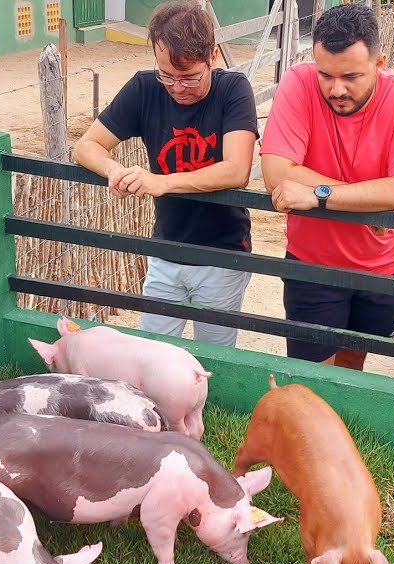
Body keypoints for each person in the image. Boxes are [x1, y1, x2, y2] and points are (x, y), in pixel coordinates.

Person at [71, 0, 258, 348]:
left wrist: (162, 181)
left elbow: (237, 170)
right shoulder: (144, 88)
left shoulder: (233, 89)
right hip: (164, 249)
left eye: (189, 77)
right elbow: (86, 146)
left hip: (222, 253)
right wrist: (115, 170)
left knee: (214, 356)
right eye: (167, 75)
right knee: (152, 351)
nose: (177, 87)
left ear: (212, 57)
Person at [259, 2, 394, 370]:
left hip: (385, 263)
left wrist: (318, 194)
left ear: (379, 63)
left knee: (355, 361)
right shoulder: (298, 80)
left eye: (351, 76)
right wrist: (367, 201)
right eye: (326, 74)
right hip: (313, 260)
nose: (336, 89)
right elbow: (276, 172)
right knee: (312, 371)